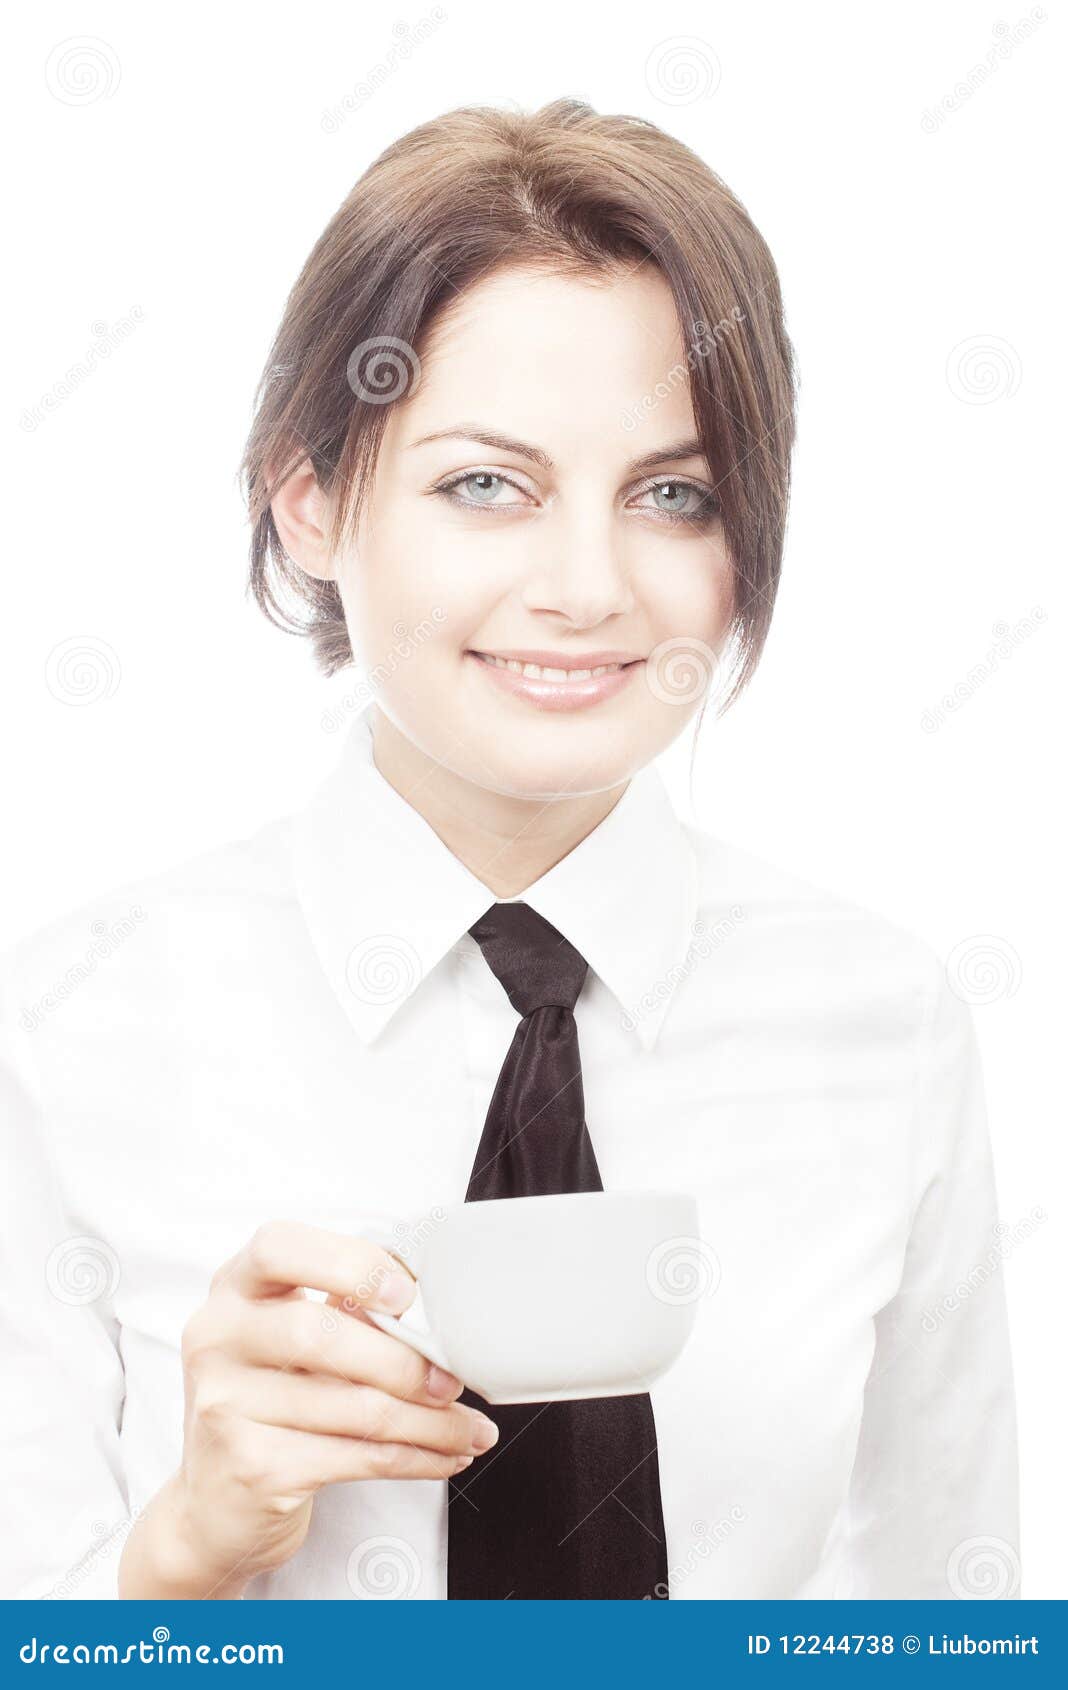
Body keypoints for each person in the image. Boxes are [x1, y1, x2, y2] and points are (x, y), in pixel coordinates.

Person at [0, 98, 1018, 1601]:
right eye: (488, 483)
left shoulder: (884, 1021)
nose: (590, 586)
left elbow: (951, 1614)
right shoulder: (76, 1019)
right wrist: (188, 1548)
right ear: (314, 503)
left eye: (674, 495)